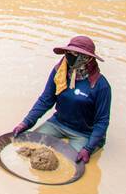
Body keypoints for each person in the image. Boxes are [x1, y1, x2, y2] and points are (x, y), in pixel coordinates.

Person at [11, 35, 111, 164]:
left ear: (88, 58)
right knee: (32, 149)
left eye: (75, 54)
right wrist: (26, 123)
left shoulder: (101, 86)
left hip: (84, 133)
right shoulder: (59, 73)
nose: (70, 56)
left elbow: (102, 121)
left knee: (68, 162)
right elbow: (45, 100)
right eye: (68, 52)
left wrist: (88, 148)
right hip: (58, 124)